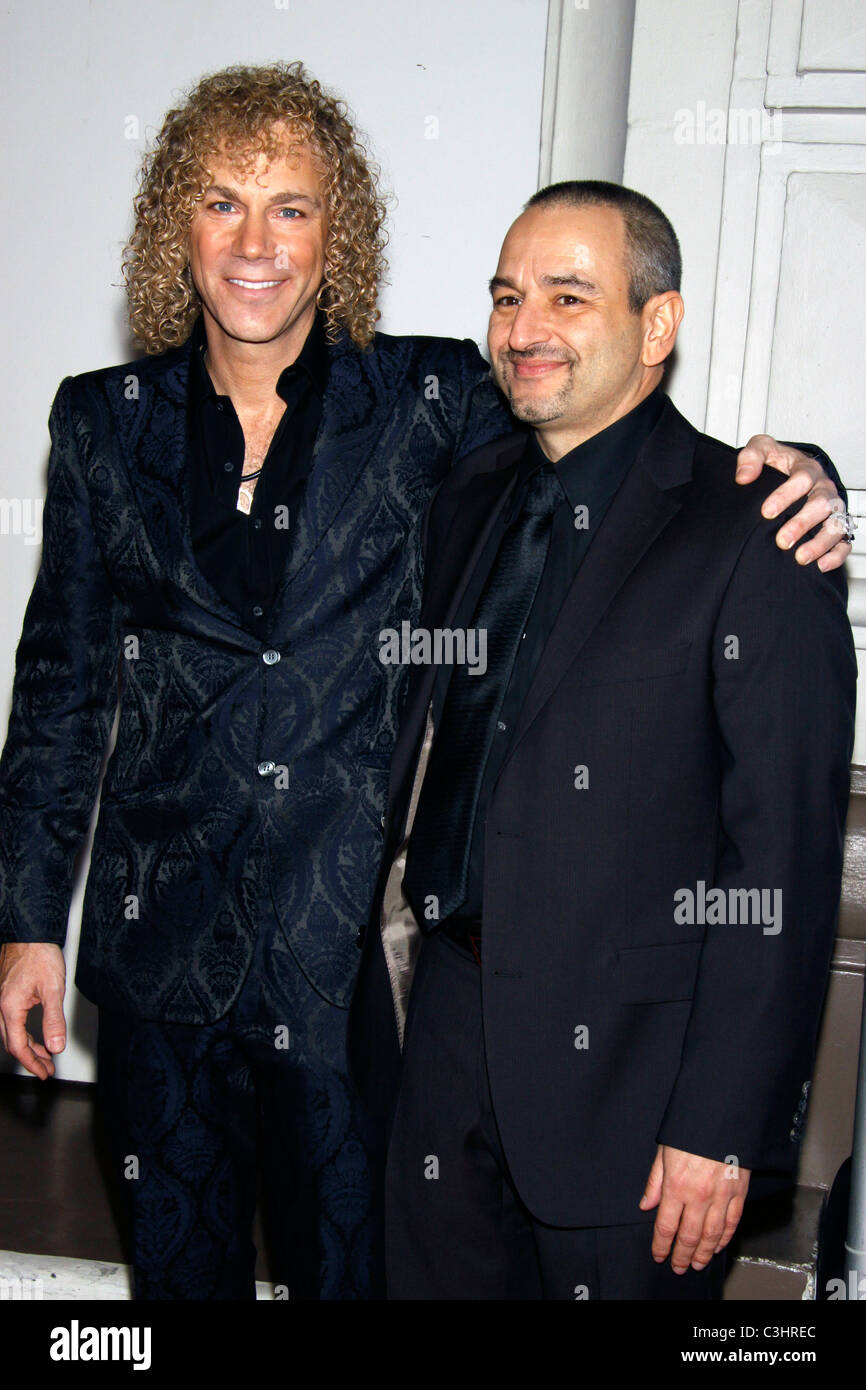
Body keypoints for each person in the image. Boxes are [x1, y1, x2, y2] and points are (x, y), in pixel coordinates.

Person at [0, 61, 848, 1302]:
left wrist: (804, 473)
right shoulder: (99, 421)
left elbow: (603, 431)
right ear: (172, 225)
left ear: (333, 236)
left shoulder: (426, 397)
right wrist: (28, 919)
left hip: (338, 975)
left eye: (290, 207)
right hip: (154, 957)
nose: (255, 242)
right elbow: (62, 686)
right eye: (222, 202)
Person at [348, 181, 857, 1301]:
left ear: (656, 324)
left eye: (567, 297)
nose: (524, 329)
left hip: (630, 1091)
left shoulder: (757, 532)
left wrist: (721, 1127)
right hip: (442, 1034)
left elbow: (775, 869)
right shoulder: (469, 494)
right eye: (506, 296)